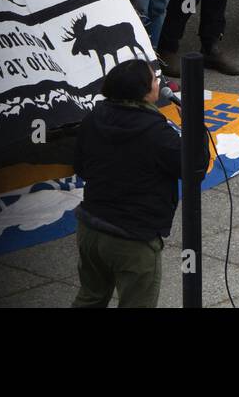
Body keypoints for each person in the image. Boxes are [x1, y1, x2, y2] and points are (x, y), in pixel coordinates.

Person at [71, 59, 180, 308]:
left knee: (90, 297)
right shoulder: (157, 133)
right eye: (154, 79)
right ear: (143, 92)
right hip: (133, 239)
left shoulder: (93, 117)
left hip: (90, 228)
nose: (159, 83)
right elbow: (194, 166)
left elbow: (80, 167)